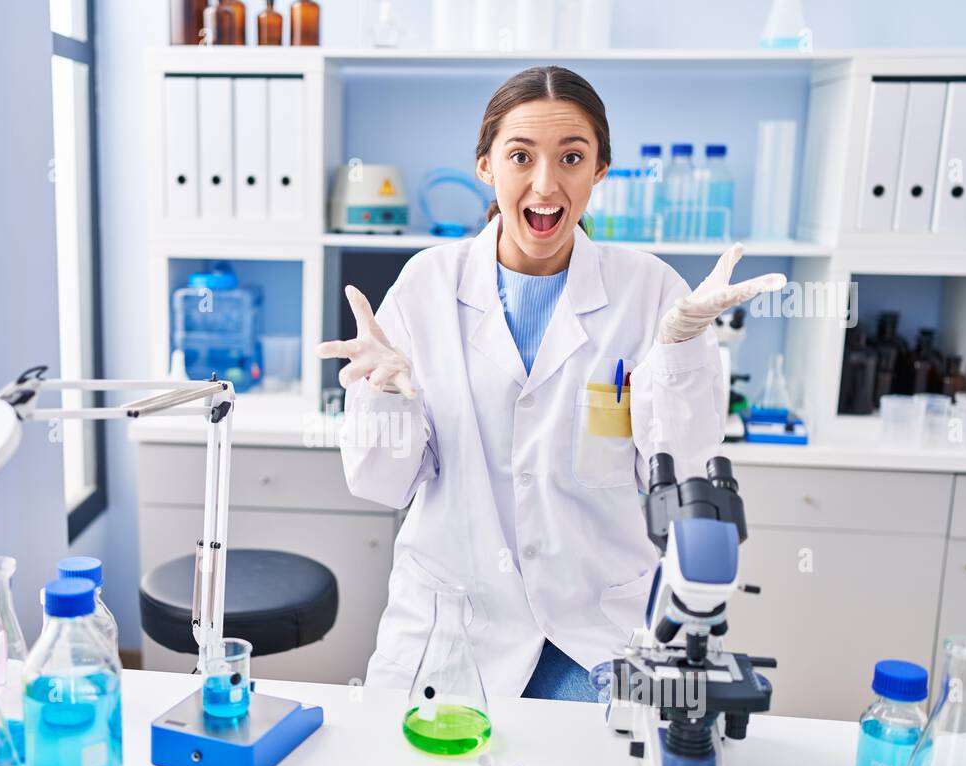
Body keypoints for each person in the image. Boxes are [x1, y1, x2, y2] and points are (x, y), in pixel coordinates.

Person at [317, 66, 784, 701]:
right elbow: (381, 483)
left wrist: (679, 353)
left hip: (595, 626)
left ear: (600, 171)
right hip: (459, 625)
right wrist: (387, 397)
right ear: (486, 166)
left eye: (571, 157)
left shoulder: (649, 291)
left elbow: (681, 471)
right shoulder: (426, 286)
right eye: (520, 156)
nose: (545, 184)